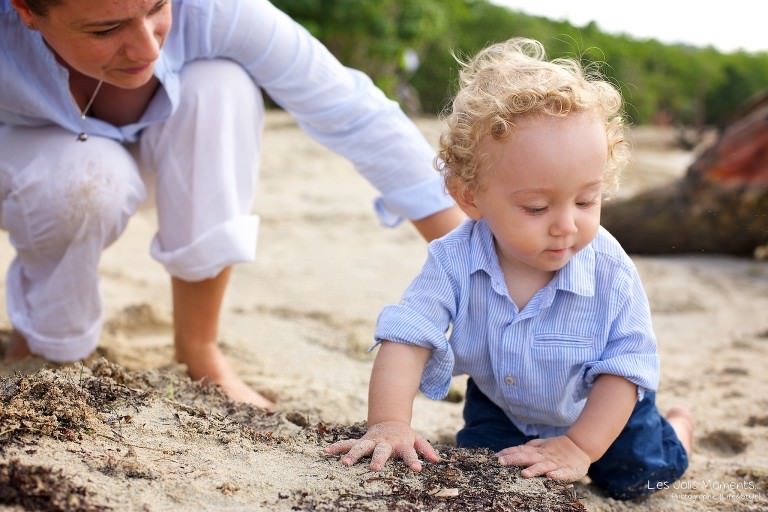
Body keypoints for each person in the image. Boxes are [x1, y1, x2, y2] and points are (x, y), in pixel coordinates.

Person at [0, 0, 464, 411]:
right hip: (28, 164)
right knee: (88, 177)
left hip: (156, 154)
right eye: (105, 30)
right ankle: (47, 343)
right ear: (24, 10)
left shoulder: (212, 9)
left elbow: (355, 114)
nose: (147, 49)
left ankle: (199, 348)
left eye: (157, 7)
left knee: (221, 84)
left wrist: (469, 256)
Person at [325, 37, 694, 500]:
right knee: (487, 474)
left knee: (640, 479)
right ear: (470, 197)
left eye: (586, 200)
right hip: (502, 407)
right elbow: (407, 337)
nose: (566, 225)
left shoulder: (609, 269)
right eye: (537, 207)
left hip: (604, 410)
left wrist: (579, 447)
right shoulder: (454, 259)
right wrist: (390, 423)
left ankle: (677, 429)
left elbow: (625, 368)